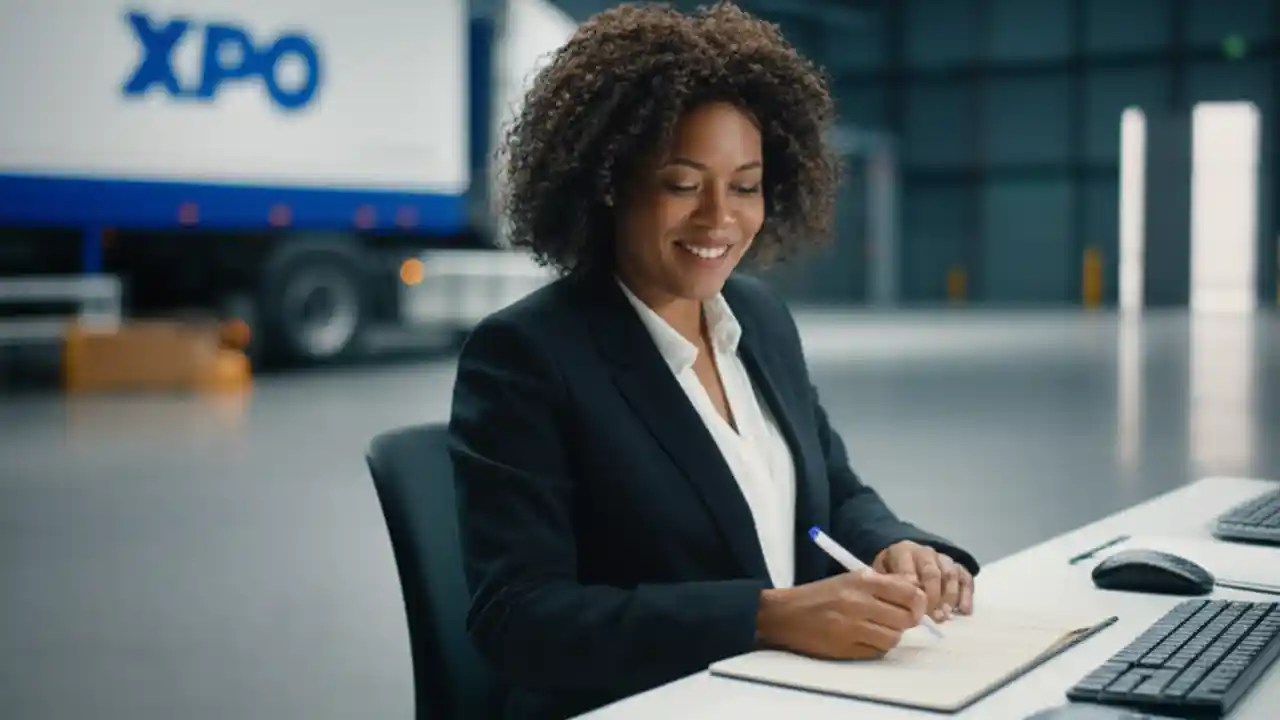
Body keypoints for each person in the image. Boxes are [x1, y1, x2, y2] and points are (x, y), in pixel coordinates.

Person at [448, 3, 979, 718]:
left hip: (783, 694)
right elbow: (519, 618)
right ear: (609, 183)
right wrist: (765, 616)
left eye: (745, 186)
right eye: (682, 184)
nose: (719, 218)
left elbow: (834, 492)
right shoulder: (527, 356)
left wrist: (895, 545)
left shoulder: (759, 319)